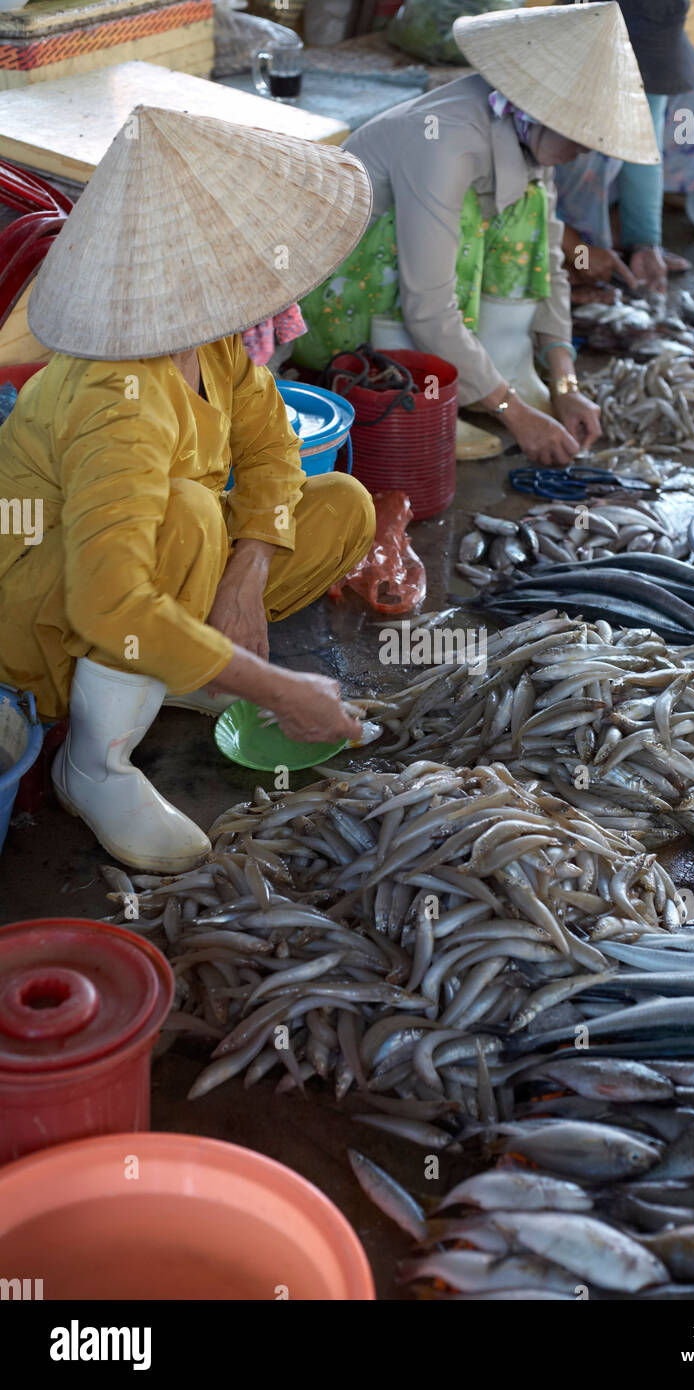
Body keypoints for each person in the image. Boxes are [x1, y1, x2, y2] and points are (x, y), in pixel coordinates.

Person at [0, 105, 376, 874]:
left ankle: (173, 666)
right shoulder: (116, 395)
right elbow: (107, 600)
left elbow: (273, 449)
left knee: (342, 505)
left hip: (171, 568)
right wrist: (276, 687)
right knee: (192, 512)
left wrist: (250, 571)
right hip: (48, 611)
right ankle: (95, 764)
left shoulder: (212, 341)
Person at [293, 2, 660, 464]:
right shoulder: (445, 141)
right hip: (329, 306)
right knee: (465, 217)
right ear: (539, 110)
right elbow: (428, 307)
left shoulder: (530, 137)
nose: (584, 153)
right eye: (582, 138)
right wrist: (515, 414)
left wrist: (564, 383)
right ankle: (419, 385)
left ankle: (489, 377)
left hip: (406, 300)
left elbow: (549, 265)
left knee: (527, 205)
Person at [556, 0, 694, 297]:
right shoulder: (545, 85)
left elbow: (646, 148)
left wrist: (645, 241)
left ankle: (624, 238)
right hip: (549, 201)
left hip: (606, 180)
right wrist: (579, 251)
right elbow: (522, 196)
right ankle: (581, 252)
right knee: (594, 142)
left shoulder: (649, 58)